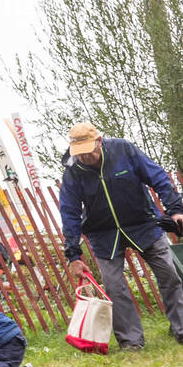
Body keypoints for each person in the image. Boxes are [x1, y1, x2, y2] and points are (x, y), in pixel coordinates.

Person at [59, 122, 183, 349]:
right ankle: (132, 342)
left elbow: (157, 177)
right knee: (114, 287)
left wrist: (175, 210)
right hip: (103, 233)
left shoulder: (123, 149)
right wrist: (73, 255)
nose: (85, 157)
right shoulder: (73, 171)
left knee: (170, 275)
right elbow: (69, 212)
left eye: (89, 150)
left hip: (143, 224)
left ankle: (182, 328)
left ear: (99, 141)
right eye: (80, 153)